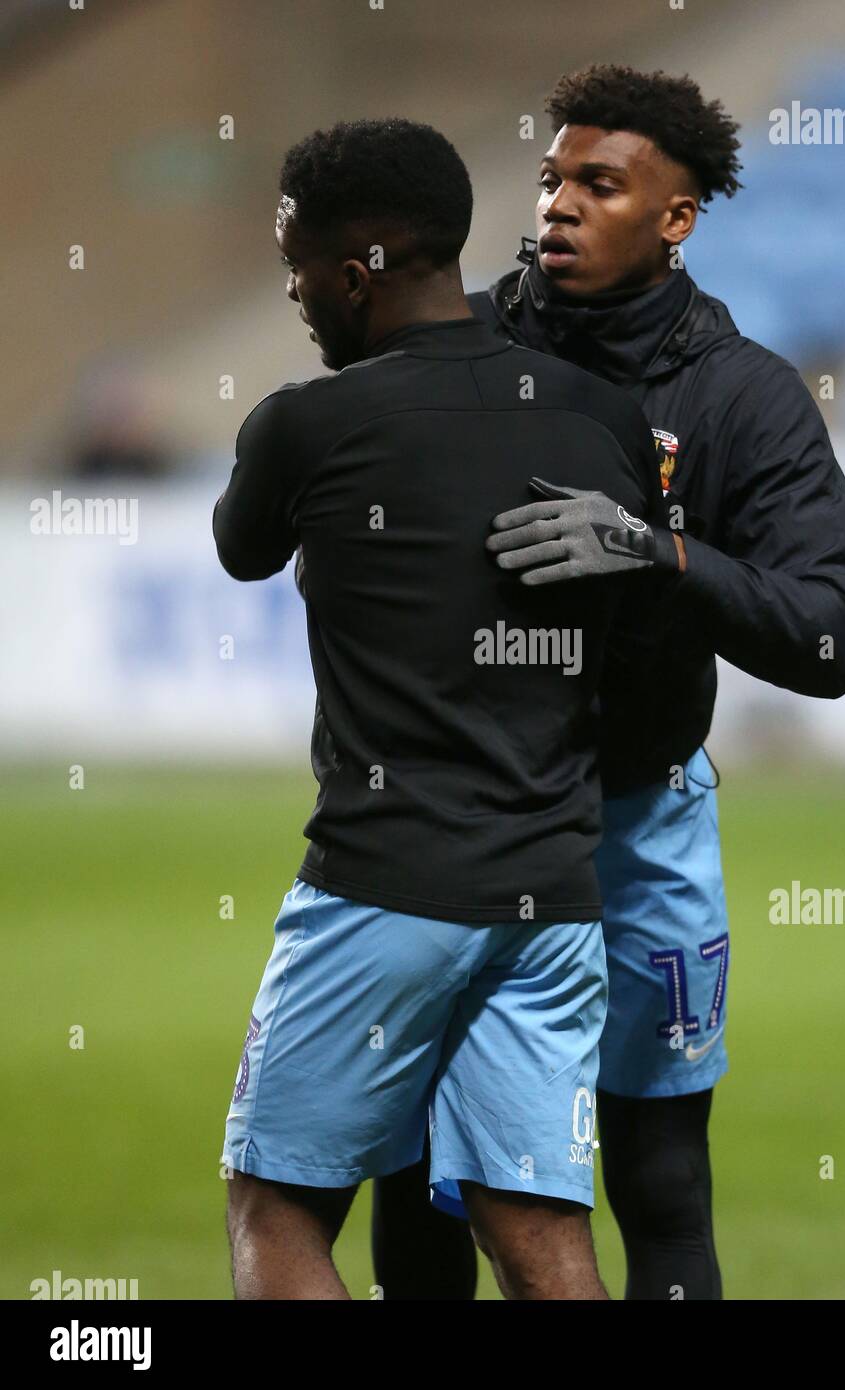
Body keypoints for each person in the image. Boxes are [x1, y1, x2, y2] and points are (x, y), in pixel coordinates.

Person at [373, 66, 845, 1301]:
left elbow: (830, 636)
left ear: (674, 217)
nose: (556, 205)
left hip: (636, 824)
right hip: (460, 822)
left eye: (599, 184)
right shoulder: (454, 354)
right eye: (551, 179)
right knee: (421, 1170)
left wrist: (658, 555)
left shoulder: (741, 398)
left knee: (656, 1177)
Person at [213, 115, 663, 1300]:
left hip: (381, 883)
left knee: (277, 1208)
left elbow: (242, 547)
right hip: (555, 894)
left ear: (354, 267)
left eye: (297, 259)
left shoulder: (306, 423)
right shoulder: (600, 415)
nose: (294, 288)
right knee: (538, 1229)